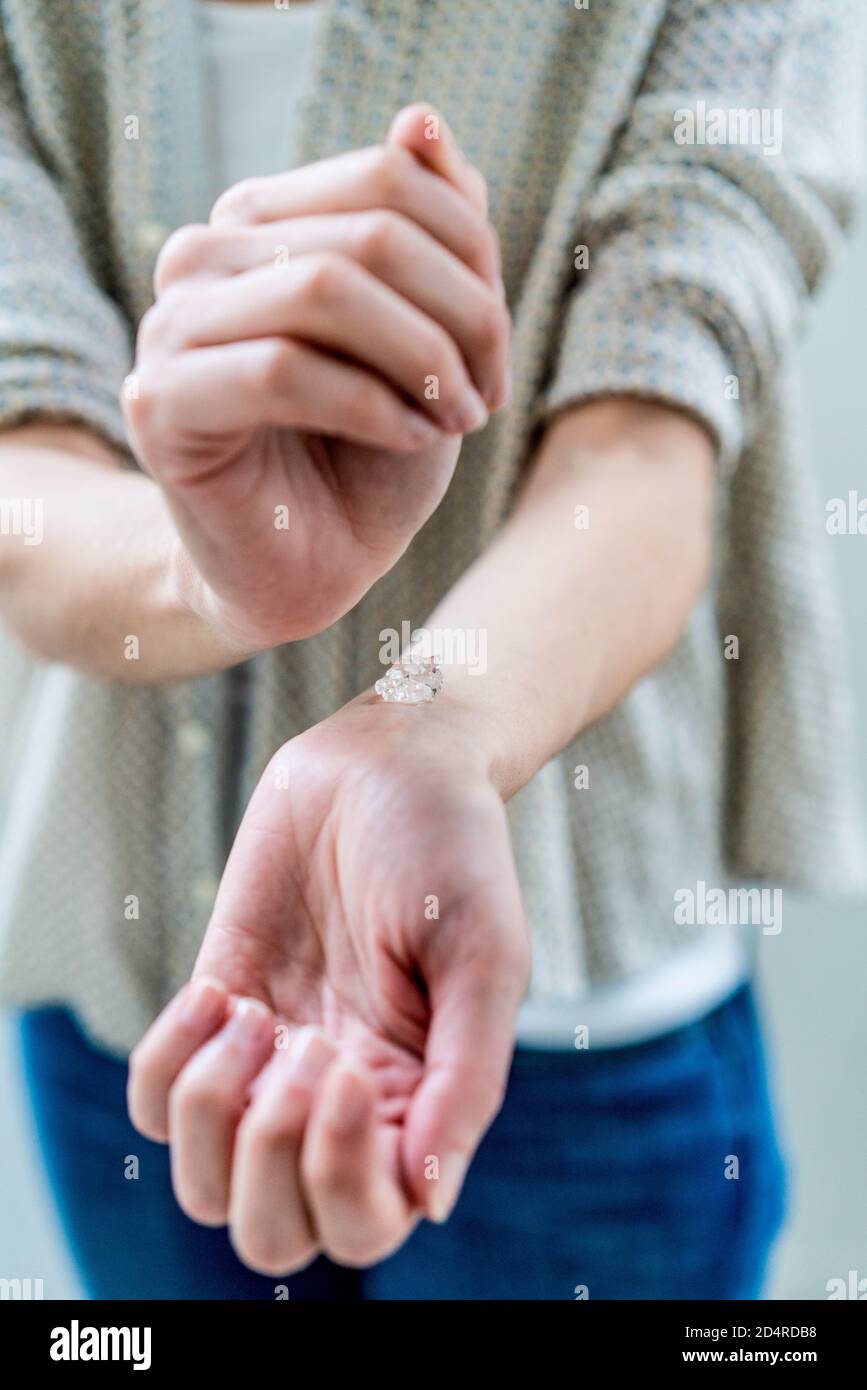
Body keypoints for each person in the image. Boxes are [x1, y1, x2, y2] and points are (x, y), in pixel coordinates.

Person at [1, 0, 864, 1300]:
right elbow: (24, 452)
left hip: (579, 1031)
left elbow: (648, 432)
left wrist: (434, 725)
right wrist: (219, 564)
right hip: (145, 1003)